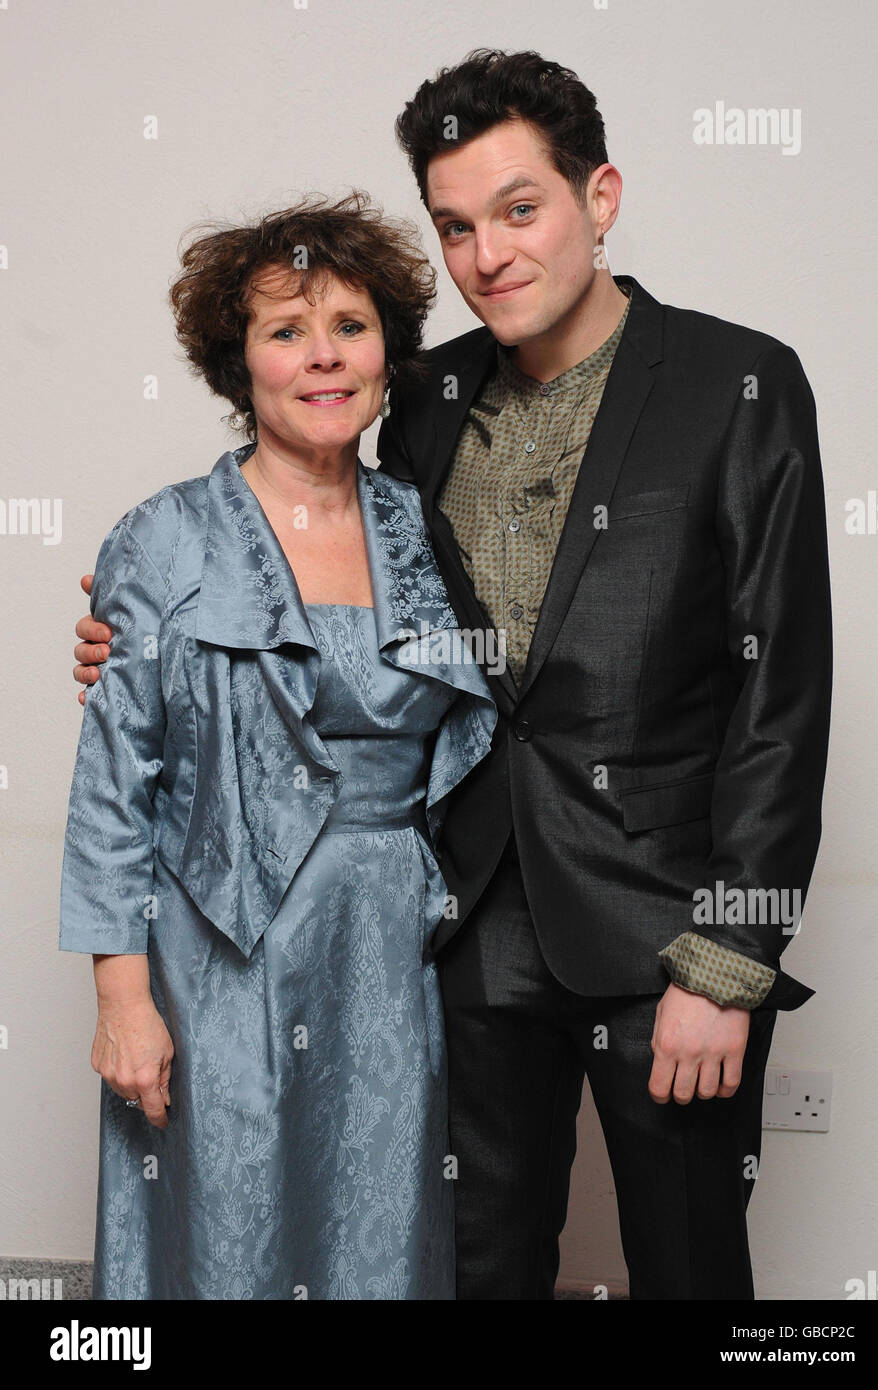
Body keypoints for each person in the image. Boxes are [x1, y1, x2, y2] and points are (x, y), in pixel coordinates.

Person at [73, 50, 833, 1300]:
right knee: (466, 1269)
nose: (489, 255)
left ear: (600, 198)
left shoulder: (732, 384)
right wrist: (125, 632)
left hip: (663, 937)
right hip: (460, 934)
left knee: (692, 1271)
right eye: (456, 228)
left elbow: (780, 698)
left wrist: (726, 962)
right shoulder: (423, 398)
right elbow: (286, 567)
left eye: (519, 210)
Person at [60, 192, 497, 1300]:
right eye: (285, 330)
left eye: (348, 326)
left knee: (377, 1232)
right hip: (216, 952)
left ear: (387, 352)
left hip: (390, 954)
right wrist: (122, 1003)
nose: (322, 358)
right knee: (225, 1232)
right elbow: (115, 789)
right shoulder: (162, 538)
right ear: (234, 361)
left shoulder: (425, 527)